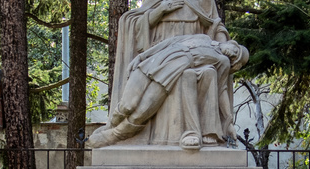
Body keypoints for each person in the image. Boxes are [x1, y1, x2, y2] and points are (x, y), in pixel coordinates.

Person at [106, 0, 242, 147]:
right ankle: (129, 124)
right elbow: (133, 24)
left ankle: (204, 133)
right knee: (174, 79)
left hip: (195, 58)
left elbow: (216, 27)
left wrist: (225, 45)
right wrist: (159, 12)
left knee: (205, 73)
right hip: (162, 58)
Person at [90, 34, 249, 149]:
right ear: (231, 43)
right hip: (152, 63)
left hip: (169, 75)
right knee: (126, 106)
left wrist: (229, 122)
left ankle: (114, 135)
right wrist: (141, 57)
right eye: (236, 50)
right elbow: (169, 42)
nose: (233, 54)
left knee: (141, 113)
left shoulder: (222, 61)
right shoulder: (203, 38)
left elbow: (221, 90)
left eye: (236, 58)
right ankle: (109, 126)